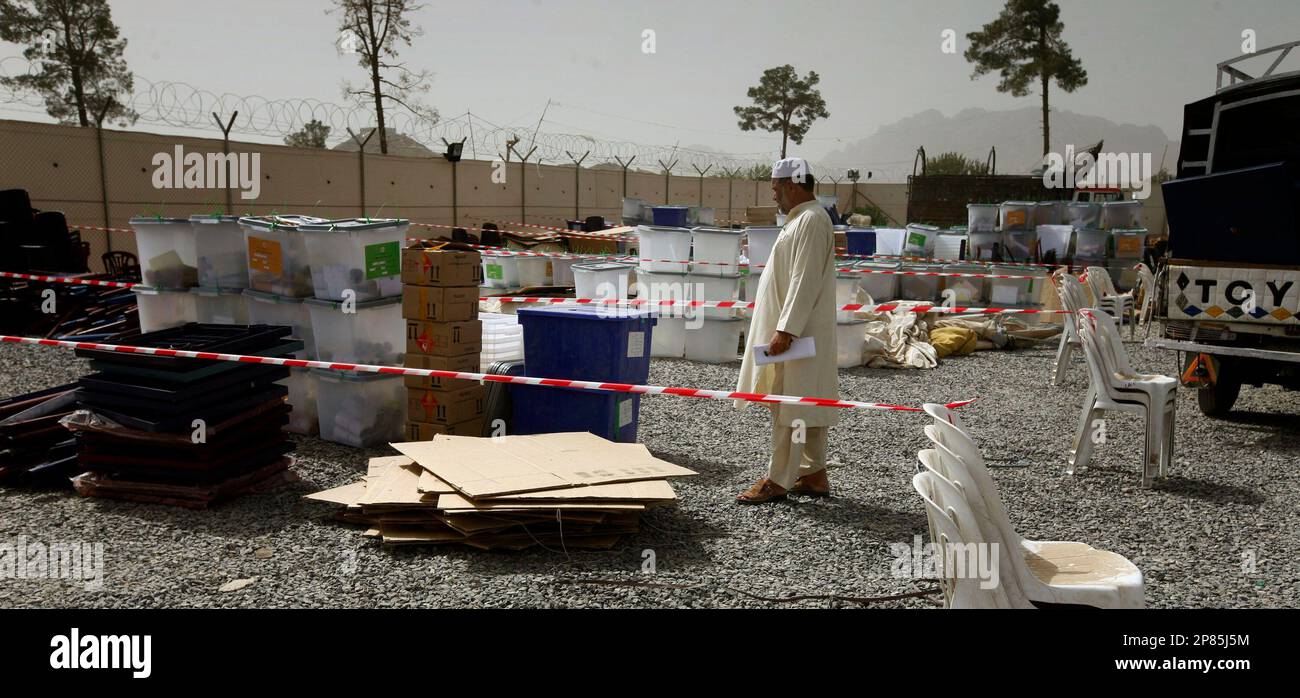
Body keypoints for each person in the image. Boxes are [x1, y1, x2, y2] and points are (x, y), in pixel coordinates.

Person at [734, 157, 841, 504]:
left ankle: (779, 480)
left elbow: (803, 280)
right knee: (806, 402)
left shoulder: (809, 220)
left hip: (797, 335)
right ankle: (814, 475)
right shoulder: (805, 220)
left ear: (792, 187)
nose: (775, 197)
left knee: (790, 405)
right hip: (801, 333)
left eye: (776, 190)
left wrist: (786, 330)